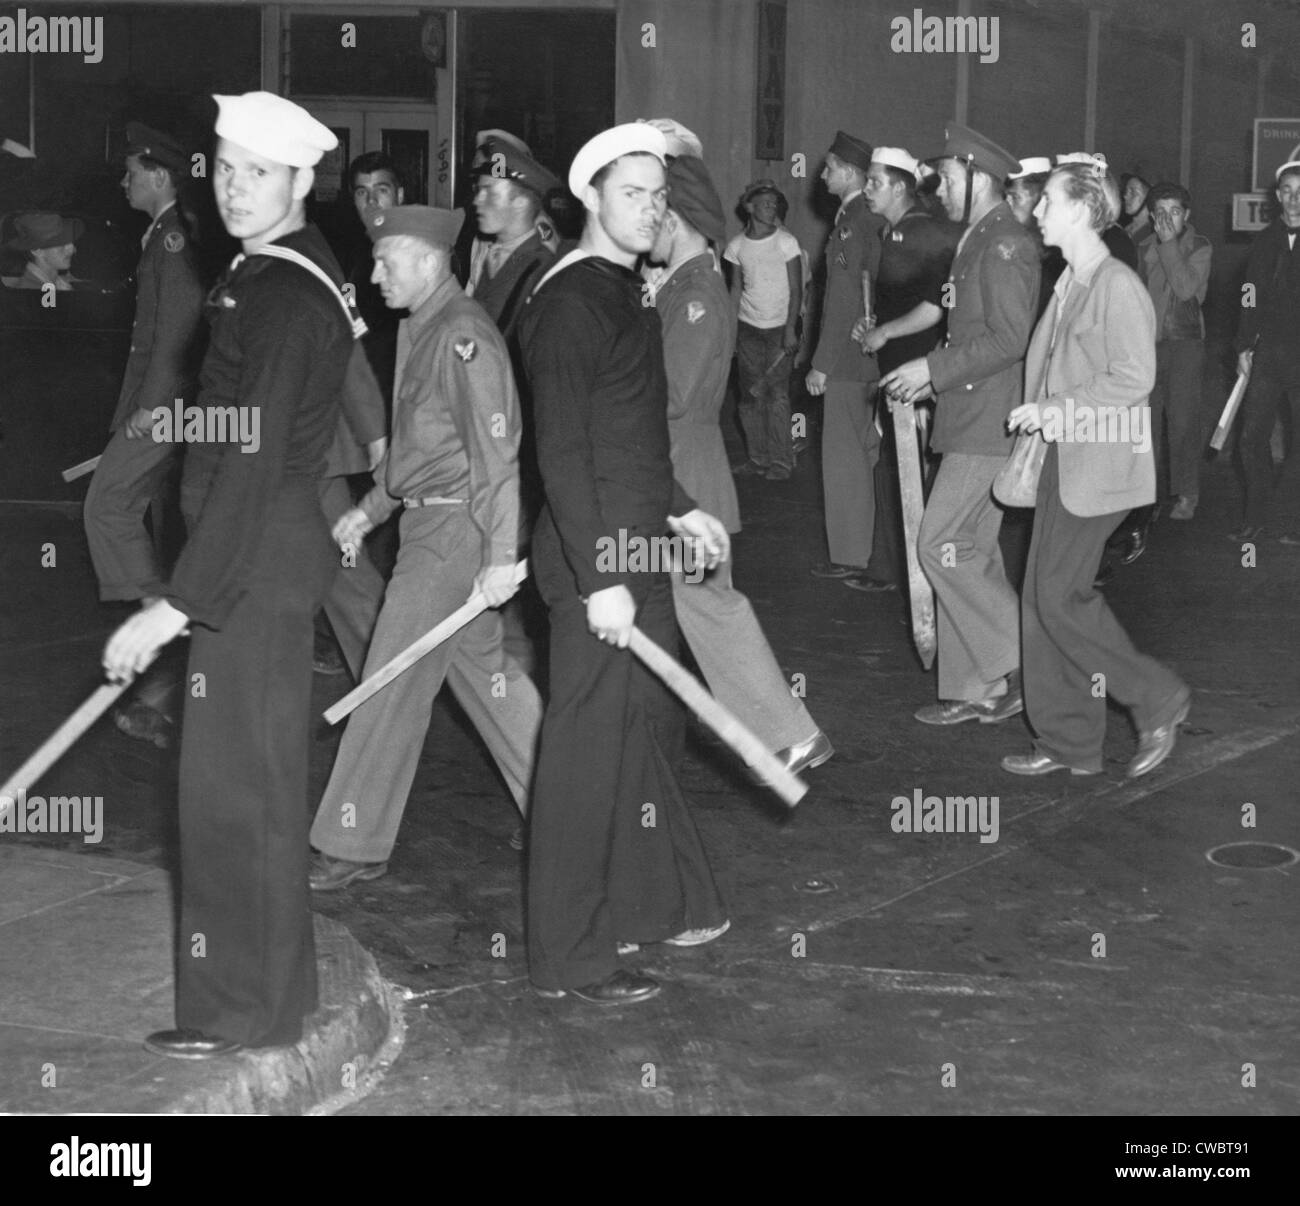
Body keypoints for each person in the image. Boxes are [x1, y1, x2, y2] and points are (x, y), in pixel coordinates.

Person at [102, 90, 357, 1058]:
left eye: (261, 173)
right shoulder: (269, 276)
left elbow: (251, 468)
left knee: (233, 795)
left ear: (301, 180)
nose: (237, 189)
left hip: (249, 570)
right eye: (227, 169)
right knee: (241, 789)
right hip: (255, 562)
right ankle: (260, 1005)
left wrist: (174, 606)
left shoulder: (283, 293)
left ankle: (243, 1015)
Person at [517, 123, 731, 1005]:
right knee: (583, 756)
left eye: (658, 194)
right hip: (593, 561)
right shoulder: (571, 300)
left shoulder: (624, 289)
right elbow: (562, 453)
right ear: (591, 199)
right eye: (632, 193)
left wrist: (682, 508)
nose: (651, 209)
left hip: (634, 544)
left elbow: (629, 433)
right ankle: (569, 956)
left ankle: (656, 899)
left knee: (639, 731)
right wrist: (601, 580)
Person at [306, 204, 541, 891]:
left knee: (388, 680)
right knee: (490, 681)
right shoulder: (422, 325)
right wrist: (371, 509)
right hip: (430, 523)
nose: (374, 274)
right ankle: (571, 806)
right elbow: (419, 449)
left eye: (386, 260)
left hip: (453, 536)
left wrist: (500, 557)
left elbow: (495, 453)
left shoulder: (464, 334)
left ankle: (353, 839)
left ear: (431, 261)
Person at [1002, 158, 1190, 779]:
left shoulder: (1116, 284)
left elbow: (1137, 376)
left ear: (1081, 210)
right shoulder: (1070, 281)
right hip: (1063, 459)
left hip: (1102, 464)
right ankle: (1070, 740)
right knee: (1038, 599)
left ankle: (1158, 697)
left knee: (1060, 597)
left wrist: (1058, 410)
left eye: (1048, 202)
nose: (1036, 212)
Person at [651, 153, 832, 775]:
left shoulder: (698, 293)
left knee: (708, 607)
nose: (644, 220)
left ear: (676, 218)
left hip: (684, 478)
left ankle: (787, 733)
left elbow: (672, 396)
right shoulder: (682, 285)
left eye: (654, 207)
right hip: (673, 474)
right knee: (678, 608)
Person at [880, 123, 1038, 727]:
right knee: (969, 547)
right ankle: (975, 688)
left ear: (978, 177)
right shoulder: (977, 239)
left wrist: (932, 368)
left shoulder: (1004, 245)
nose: (937, 187)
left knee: (937, 544)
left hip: (988, 421)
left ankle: (1021, 660)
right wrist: (933, 378)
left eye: (946, 177)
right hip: (969, 414)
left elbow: (1008, 337)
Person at [80, 125, 205, 746]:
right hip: (158, 405)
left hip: (167, 407)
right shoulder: (163, 234)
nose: (124, 181)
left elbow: (176, 332)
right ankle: (170, 656)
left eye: (131, 171)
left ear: (159, 175)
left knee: (107, 505)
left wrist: (153, 407)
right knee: (154, 520)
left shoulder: (174, 235)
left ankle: (161, 617)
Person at [849, 145, 958, 594]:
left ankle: (915, 574)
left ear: (899, 187)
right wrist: (875, 325)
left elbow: (934, 310)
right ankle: (893, 568)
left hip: (916, 378)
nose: (867, 188)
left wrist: (886, 333)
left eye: (874, 182)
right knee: (895, 471)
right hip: (898, 372)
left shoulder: (921, 233)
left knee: (908, 475)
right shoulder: (894, 233)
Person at [806, 130, 885, 579]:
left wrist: (821, 364)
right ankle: (858, 549)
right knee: (861, 454)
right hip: (865, 358)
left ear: (851, 173)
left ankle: (851, 554)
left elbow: (841, 302)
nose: (822, 174)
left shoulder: (854, 223)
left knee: (845, 461)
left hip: (847, 362)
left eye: (830, 167)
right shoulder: (861, 219)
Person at [1230, 158, 1300, 544]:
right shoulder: (1265, 241)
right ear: (1277, 197)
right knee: (1249, 438)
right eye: (1287, 191)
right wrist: (1243, 345)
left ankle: (1294, 520)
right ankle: (1256, 518)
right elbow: (1249, 296)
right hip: (1268, 357)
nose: (1294, 199)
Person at [1138, 181, 1212, 521]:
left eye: (1176, 212)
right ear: (1152, 217)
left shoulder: (1201, 246)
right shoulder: (1141, 248)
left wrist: (1169, 245)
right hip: (1147, 347)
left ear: (1187, 215)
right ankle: (1147, 496)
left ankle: (1187, 493)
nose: (1168, 220)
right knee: (1146, 423)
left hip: (1185, 345)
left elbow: (1185, 289)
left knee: (1183, 422)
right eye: (1161, 213)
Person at [724, 178, 803, 481]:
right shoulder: (736, 246)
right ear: (749, 207)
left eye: (775, 204)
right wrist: (731, 331)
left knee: (777, 395)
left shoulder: (786, 242)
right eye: (766, 203)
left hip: (779, 328)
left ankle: (782, 461)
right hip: (748, 328)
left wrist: (791, 330)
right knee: (749, 397)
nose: (772, 208)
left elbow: (797, 290)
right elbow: (735, 288)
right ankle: (758, 458)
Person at [467, 136, 559, 339]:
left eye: (488, 191)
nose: (477, 200)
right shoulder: (493, 254)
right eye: (478, 190)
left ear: (520, 202)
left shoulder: (541, 267)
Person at [1, 212, 81, 290]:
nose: (72, 250)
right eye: (62, 244)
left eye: (71, 242)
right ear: (37, 251)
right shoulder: (31, 290)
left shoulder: (60, 284)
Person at [1120, 173, 1153, 245]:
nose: (1125, 196)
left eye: (1133, 192)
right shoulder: (1124, 230)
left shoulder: (1153, 233)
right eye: (1126, 191)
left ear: (1149, 196)